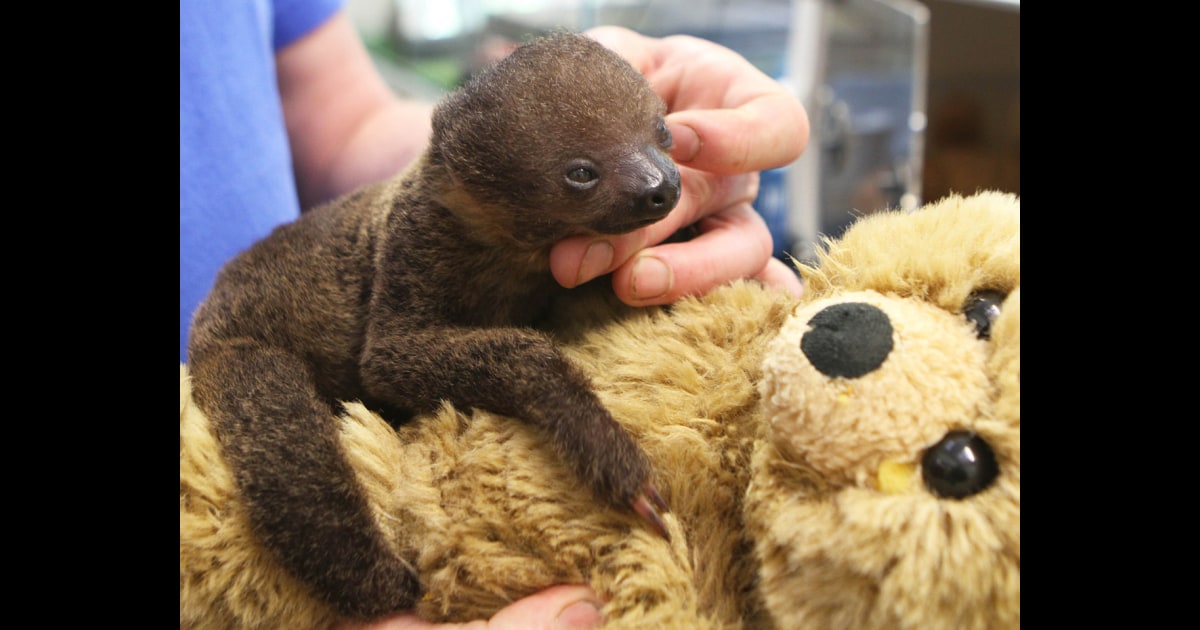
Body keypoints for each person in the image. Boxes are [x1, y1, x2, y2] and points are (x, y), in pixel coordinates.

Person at [180, 1, 808, 627]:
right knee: (334, 536)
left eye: (658, 136)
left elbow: (348, 125)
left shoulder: (523, 211)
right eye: (583, 176)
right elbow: (393, 362)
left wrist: (701, 205)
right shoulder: (434, 234)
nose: (657, 181)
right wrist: (538, 378)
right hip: (246, 349)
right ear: (471, 188)